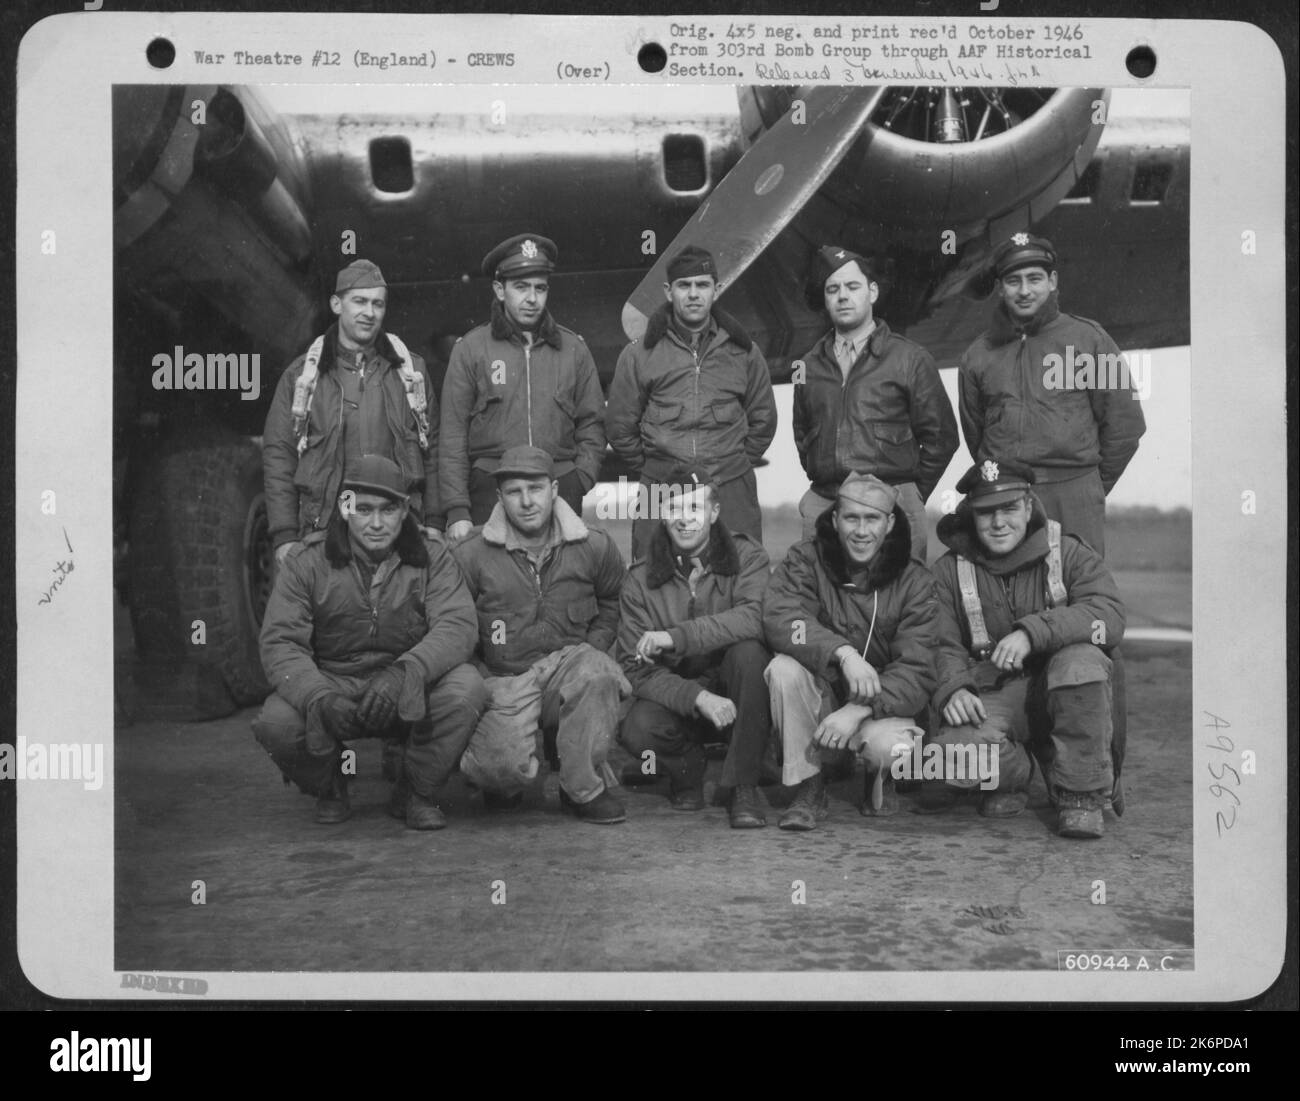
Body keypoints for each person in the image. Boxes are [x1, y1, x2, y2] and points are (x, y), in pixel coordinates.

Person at [251, 455, 485, 829]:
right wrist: (318, 696)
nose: (376, 523)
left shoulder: (432, 557)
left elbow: (457, 625)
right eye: (364, 509)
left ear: (405, 509)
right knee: (275, 722)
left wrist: (407, 671)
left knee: (467, 688)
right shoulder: (306, 562)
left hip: (406, 684)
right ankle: (331, 783)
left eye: (388, 509)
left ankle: (415, 789)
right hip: (336, 685)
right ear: (345, 508)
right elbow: (280, 642)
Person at [924, 459, 1126, 838]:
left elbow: (1108, 617)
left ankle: (1080, 794)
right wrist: (952, 685)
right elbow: (937, 641)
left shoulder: (1068, 552)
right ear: (970, 515)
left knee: (1080, 664)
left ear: (1029, 507)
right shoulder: (950, 569)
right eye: (986, 512)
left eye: (1009, 509)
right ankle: (1015, 775)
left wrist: (1033, 632)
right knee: (948, 759)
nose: (998, 522)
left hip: (1062, 689)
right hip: (996, 692)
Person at [451, 446, 630, 824]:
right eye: (515, 492)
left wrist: (594, 647)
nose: (527, 501)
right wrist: (483, 680)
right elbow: (453, 625)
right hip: (506, 679)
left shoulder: (593, 545)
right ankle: (509, 775)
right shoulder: (471, 554)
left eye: (535, 489)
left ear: (553, 490)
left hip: (569, 667)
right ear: (500, 498)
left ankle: (581, 788)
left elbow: (614, 599)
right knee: (499, 773)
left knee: (597, 672)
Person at [762, 472, 938, 830]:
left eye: (872, 519)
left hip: (885, 704)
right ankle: (809, 784)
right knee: (782, 669)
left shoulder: (915, 578)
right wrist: (843, 652)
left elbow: (917, 668)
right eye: (851, 518)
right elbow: (783, 618)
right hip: (826, 693)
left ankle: (880, 779)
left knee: (889, 746)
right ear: (834, 520)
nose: (861, 531)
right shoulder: (805, 560)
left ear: (889, 523)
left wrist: (857, 711)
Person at [958, 233, 1146, 557]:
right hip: (1008, 495)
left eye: (1035, 279)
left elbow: (1126, 425)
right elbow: (975, 434)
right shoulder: (978, 355)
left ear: (1053, 281)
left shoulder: (1091, 340)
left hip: (1075, 492)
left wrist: (1089, 487)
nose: (1025, 290)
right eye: (1014, 281)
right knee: (1010, 596)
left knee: (1081, 593)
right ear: (1001, 288)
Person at [615, 465, 773, 828]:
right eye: (674, 509)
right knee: (637, 728)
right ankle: (687, 772)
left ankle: (742, 785)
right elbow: (634, 667)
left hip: (737, 694)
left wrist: (677, 636)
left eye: (695, 509)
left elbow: (754, 617)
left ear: (714, 513)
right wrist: (697, 698)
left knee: (750, 653)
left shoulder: (748, 557)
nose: (684, 520)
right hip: (681, 701)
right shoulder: (639, 579)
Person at [606, 245, 777, 561]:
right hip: (662, 486)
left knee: (741, 574)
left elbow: (763, 422)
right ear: (669, 292)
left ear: (717, 289)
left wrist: (727, 467)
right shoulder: (639, 354)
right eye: (685, 286)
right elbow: (619, 428)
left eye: (703, 285)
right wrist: (657, 470)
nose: (694, 294)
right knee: (652, 578)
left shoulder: (745, 353)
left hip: (728, 484)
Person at [263, 259, 440, 561]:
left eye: (378, 304)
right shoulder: (301, 377)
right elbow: (279, 455)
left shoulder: (411, 373)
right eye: (359, 301)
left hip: (400, 532)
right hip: (324, 534)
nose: (369, 313)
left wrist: (435, 523)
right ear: (336, 304)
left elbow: (433, 448)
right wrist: (284, 535)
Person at [792, 245, 958, 560]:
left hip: (893, 503)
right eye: (832, 289)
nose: (842, 296)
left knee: (901, 603)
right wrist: (826, 475)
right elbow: (803, 433)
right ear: (825, 299)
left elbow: (942, 437)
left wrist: (909, 493)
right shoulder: (807, 366)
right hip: (826, 503)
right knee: (823, 602)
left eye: (852, 287)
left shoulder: (911, 359)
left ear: (872, 292)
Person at [439, 233, 606, 540]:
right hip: (490, 491)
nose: (532, 298)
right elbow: (452, 433)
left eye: (540, 288)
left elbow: (592, 423)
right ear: (499, 290)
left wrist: (579, 478)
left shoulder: (573, 349)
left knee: (562, 582)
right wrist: (457, 509)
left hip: (559, 488)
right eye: (521, 287)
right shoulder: (471, 349)